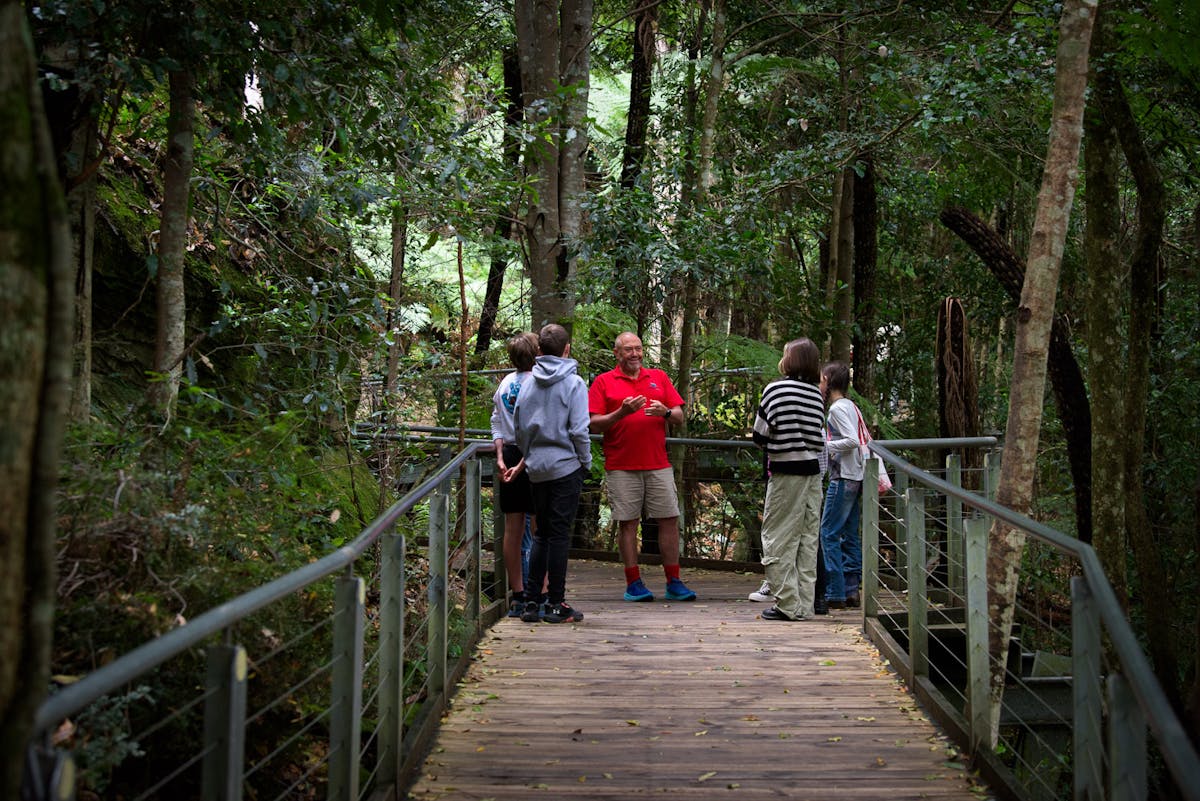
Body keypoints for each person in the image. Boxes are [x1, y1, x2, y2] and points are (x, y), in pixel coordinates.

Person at [588, 332, 696, 602]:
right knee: (628, 523)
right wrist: (622, 413)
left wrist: (666, 413)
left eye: (638, 348)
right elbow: (594, 423)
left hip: (658, 463)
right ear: (617, 353)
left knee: (669, 519)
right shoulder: (603, 382)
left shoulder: (658, 377)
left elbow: (680, 416)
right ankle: (633, 583)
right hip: (621, 465)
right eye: (628, 350)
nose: (634, 354)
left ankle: (674, 581)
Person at [513, 324, 591, 624]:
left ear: (540, 351)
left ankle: (532, 603)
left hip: (538, 468)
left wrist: (530, 455)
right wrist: (584, 461)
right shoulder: (574, 384)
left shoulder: (528, 384)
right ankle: (557, 603)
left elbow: (519, 427)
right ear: (567, 349)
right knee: (558, 536)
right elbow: (579, 430)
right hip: (565, 466)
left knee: (542, 535)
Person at [751, 338, 826, 621]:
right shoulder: (815, 394)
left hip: (787, 474)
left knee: (776, 538)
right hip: (813, 475)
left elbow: (760, 435)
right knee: (807, 541)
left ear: (791, 360)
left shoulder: (776, 389)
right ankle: (804, 605)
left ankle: (787, 604)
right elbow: (817, 437)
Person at [491, 332, 540, 617]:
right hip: (531, 456)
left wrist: (500, 457)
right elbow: (536, 427)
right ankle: (540, 592)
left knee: (513, 529)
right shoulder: (539, 384)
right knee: (539, 528)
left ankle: (518, 593)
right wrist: (523, 463)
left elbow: (497, 421)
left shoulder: (505, 384)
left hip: (508, 455)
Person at [820, 361, 866, 609]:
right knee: (849, 534)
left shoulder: (837, 409)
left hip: (843, 477)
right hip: (856, 476)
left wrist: (825, 446)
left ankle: (835, 591)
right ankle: (851, 590)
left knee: (828, 532)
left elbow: (850, 440)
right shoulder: (851, 406)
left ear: (827, 380)